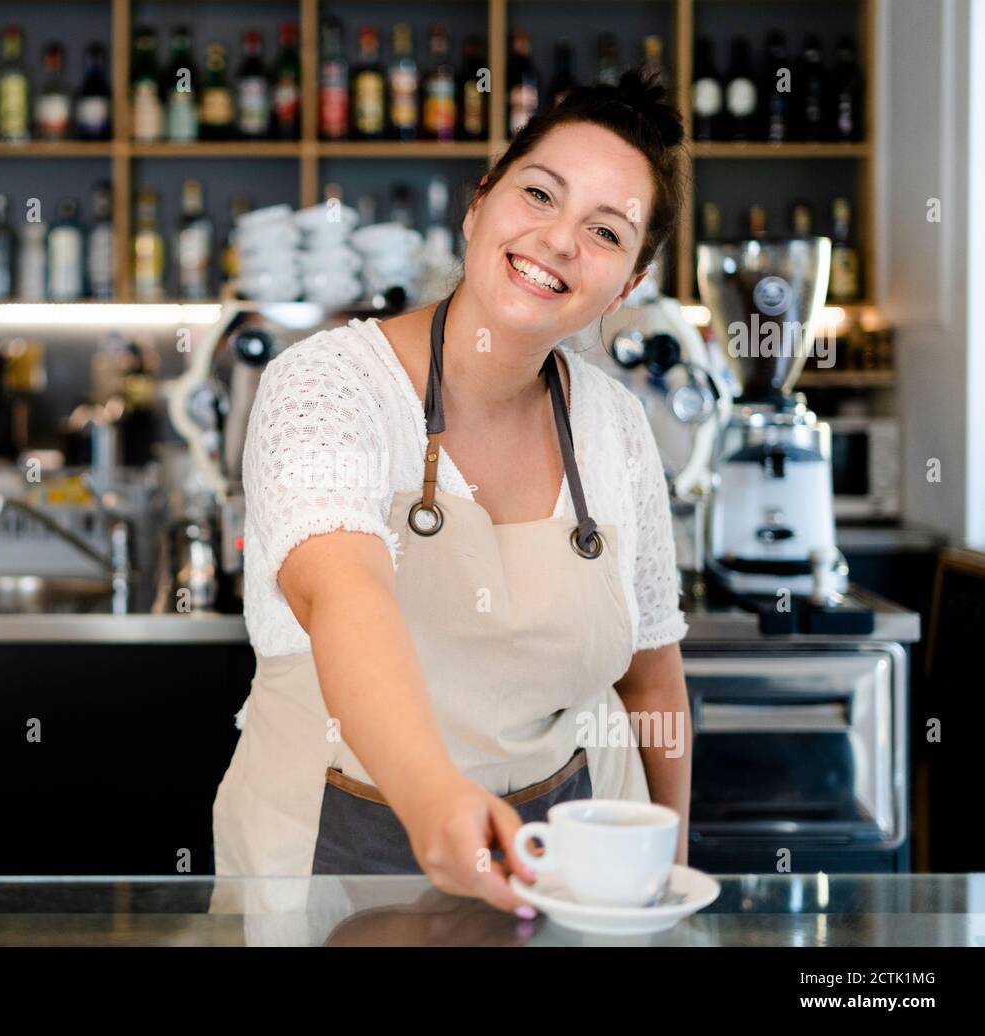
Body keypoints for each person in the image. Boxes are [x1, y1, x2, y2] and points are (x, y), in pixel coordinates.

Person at [212, 67, 692, 917]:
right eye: (539, 194)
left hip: (567, 884)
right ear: (478, 206)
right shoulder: (329, 384)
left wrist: (664, 883)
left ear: (626, 288)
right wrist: (435, 803)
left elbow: (652, 682)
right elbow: (343, 593)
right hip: (331, 870)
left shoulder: (616, 427)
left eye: (606, 232)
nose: (557, 240)